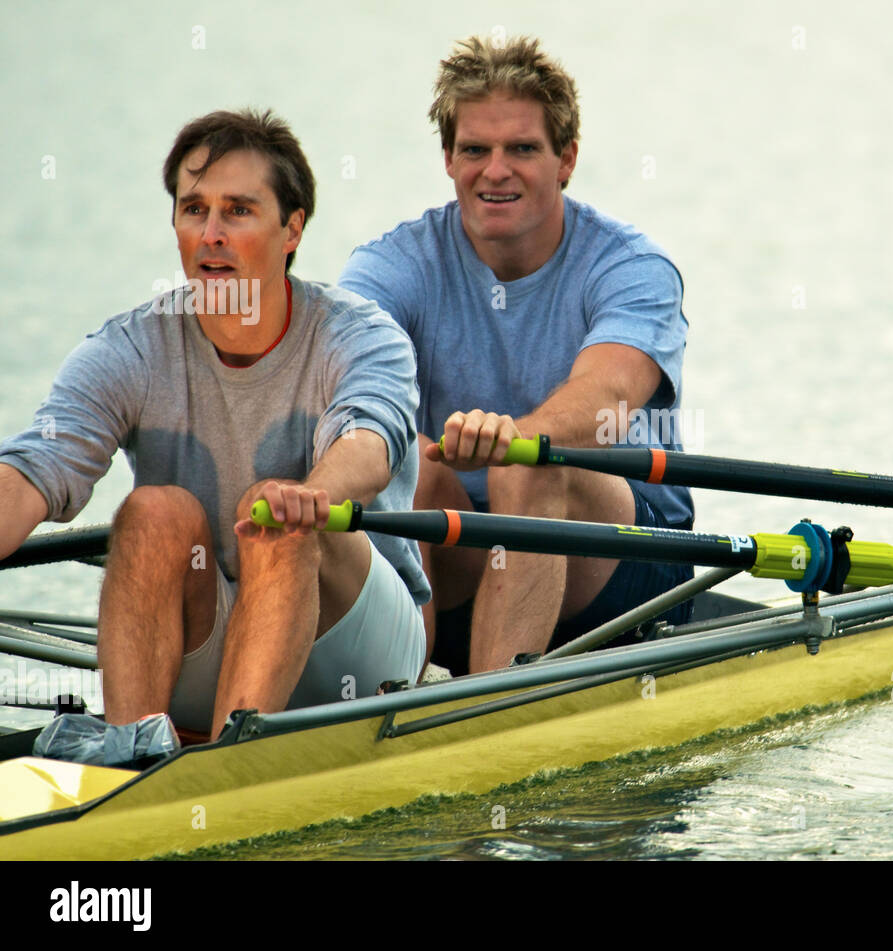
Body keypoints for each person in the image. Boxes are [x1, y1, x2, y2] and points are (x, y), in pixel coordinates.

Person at [0, 109, 428, 746]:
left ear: (293, 229)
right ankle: (135, 744)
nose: (211, 234)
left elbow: (368, 442)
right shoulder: (132, 349)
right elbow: (35, 471)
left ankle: (224, 765)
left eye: (238, 211)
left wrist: (310, 495)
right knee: (150, 512)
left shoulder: (360, 336)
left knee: (274, 514)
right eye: (194, 210)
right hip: (219, 635)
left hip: (358, 651)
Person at [339, 35, 693, 675]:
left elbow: (607, 394)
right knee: (406, 461)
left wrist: (514, 437)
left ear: (567, 160)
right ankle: (392, 694)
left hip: (627, 566)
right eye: (475, 149)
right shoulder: (392, 265)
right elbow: (337, 376)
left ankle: (487, 705)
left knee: (526, 465)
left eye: (523, 149)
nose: (495, 170)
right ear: (449, 158)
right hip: (464, 555)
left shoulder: (631, 267)